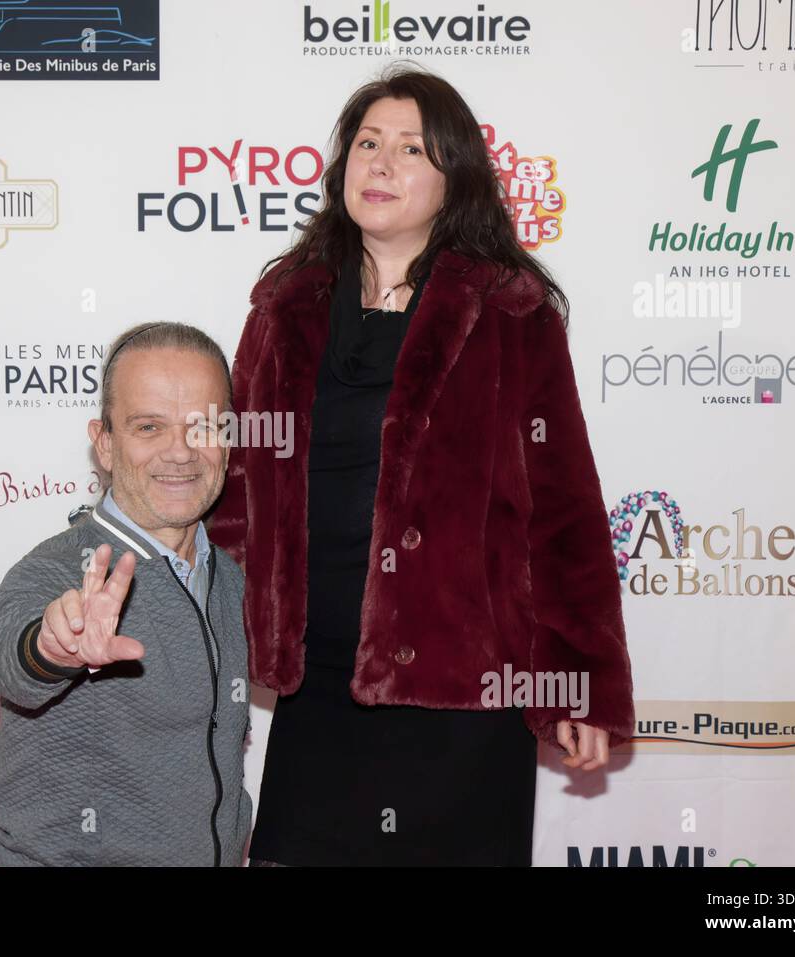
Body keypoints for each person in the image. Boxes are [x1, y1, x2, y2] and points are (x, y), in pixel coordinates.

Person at [207, 63, 635, 866]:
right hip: (317, 689)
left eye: (411, 149)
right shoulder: (283, 304)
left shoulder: (512, 312)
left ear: (456, 179)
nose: (380, 162)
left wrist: (581, 685)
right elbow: (236, 496)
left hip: (462, 699)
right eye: (368, 142)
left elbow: (565, 509)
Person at [0, 322, 252, 866]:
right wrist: (50, 650)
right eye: (149, 427)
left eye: (202, 426)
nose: (181, 452)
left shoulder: (236, 579)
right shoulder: (62, 568)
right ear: (104, 444)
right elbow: (5, 651)